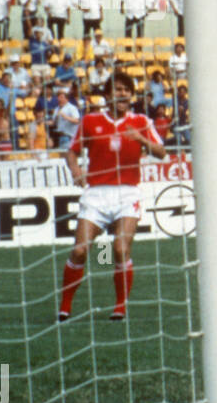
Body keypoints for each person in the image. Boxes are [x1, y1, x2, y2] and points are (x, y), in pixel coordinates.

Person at [58, 72, 166, 323]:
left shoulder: (141, 121)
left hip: (127, 193)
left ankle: (120, 306)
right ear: (107, 95)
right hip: (96, 194)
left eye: (126, 89)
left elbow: (162, 152)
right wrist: (76, 171)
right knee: (80, 250)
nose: (122, 93)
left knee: (119, 248)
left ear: (131, 95)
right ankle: (65, 306)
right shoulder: (90, 121)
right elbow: (71, 152)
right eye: (116, 89)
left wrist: (140, 139)